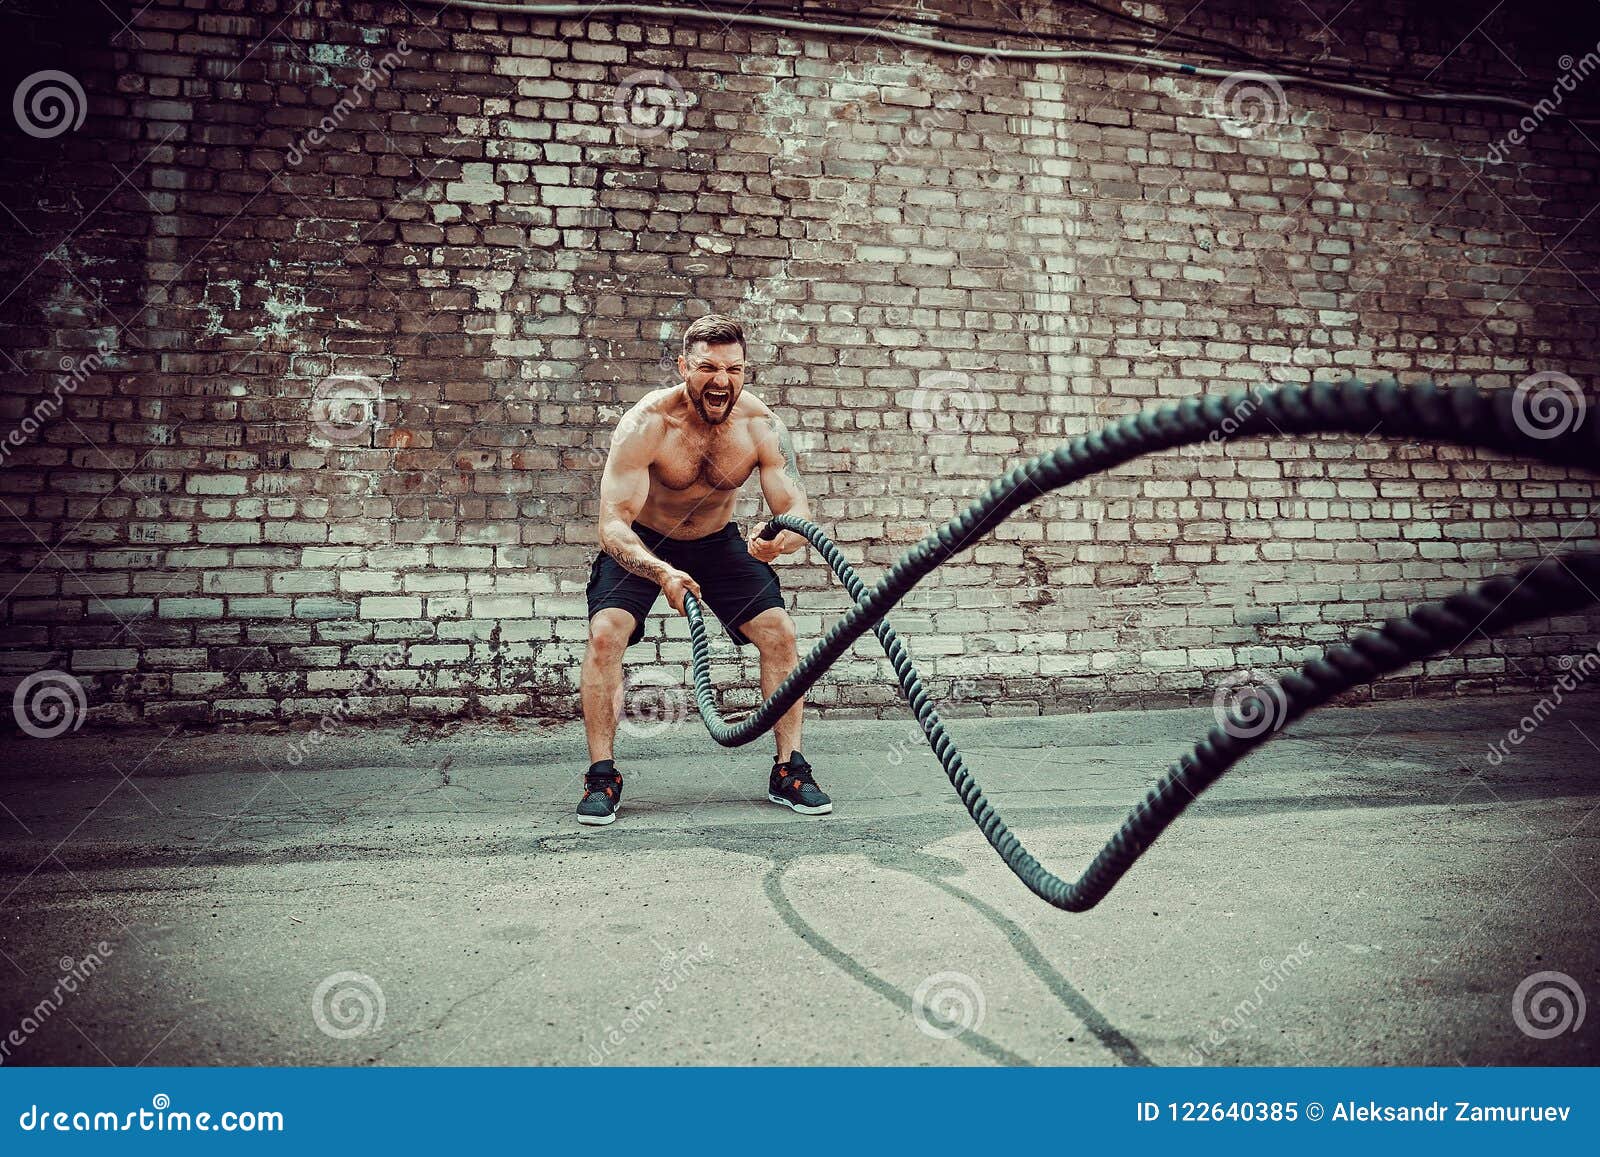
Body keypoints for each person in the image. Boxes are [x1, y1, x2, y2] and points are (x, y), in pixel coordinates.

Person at [577, 314, 831, 826]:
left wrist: (784, 536)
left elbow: (795, 502)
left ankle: (790, 770)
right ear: (683, 367)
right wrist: (662, 572)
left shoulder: (761, 426)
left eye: (734, 370)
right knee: (606, 634)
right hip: (646, 542)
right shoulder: (646, 424)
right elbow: (613, 526)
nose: (722, 381)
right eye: (708, 368)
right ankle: (602, 774)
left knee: (780, 633)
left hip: (716, 543)